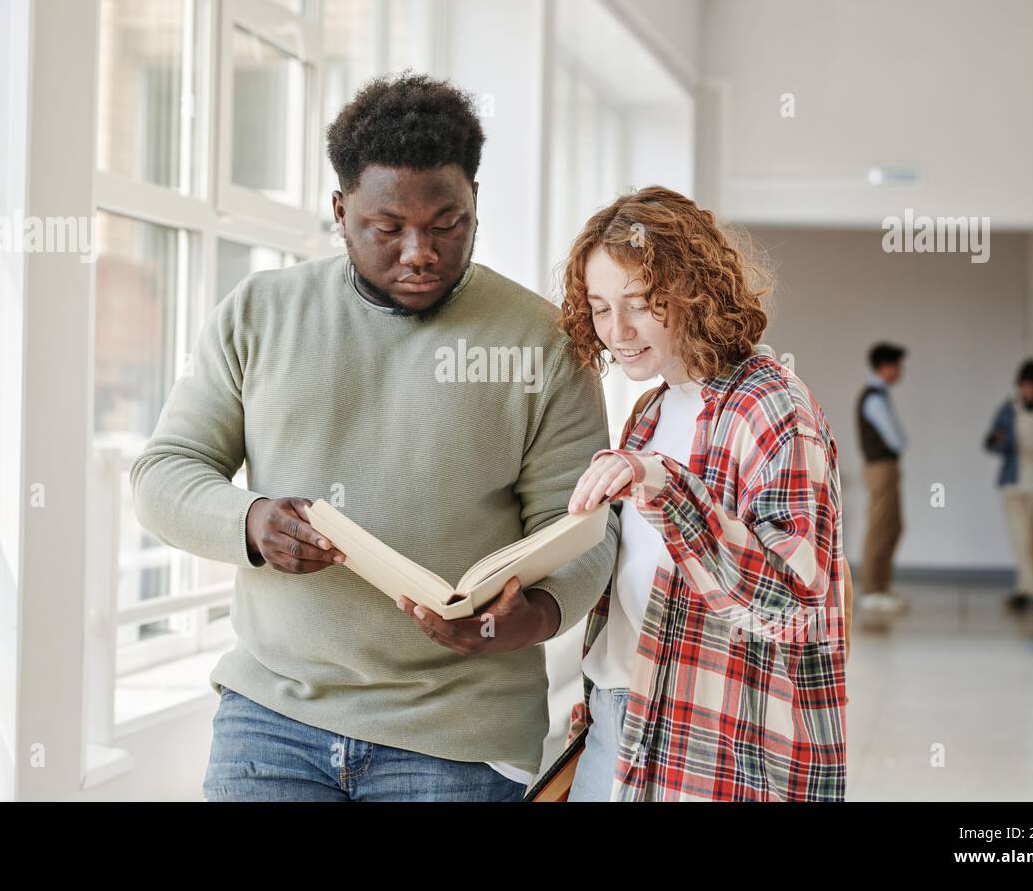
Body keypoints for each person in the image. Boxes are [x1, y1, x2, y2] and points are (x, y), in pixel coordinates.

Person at [131, 73, 618, 801]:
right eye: (387, 228)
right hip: (272, 718)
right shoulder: (261, 313)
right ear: (340, 210)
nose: (419, 250)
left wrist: (533, 617)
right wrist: (252, 522)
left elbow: (585, 530)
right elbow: (164, 473)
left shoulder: (545, 343)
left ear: (475, 202)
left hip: (458, 736)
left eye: (446, 223)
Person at [557, 186, 848, 801]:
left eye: (640, 303)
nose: (619, 330)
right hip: (623, 717)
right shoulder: (651, 409)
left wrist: (664, 483)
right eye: (601, 307)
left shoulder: (771, 406)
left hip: (717, 744)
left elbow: (790, 598)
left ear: (693, 290)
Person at [983, 359, 1033, 611]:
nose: (1027, 391)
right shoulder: (1009, 410)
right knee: (1022, 539)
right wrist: (1001, 439)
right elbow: (991, 443)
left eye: (1032, 387)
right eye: (1024, 386)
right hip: (1015, 484)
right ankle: (1027, 588)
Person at [856, 342, 909, 615]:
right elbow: (896, 439)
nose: (900, 371)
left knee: (893, 525)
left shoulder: (878, 395)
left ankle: (881, 587)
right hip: (881, 467)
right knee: (881, 526)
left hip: (883, 467)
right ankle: (872, 589)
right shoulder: (874, 398)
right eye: (897, 365)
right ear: (885, 367)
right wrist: (901, 443)